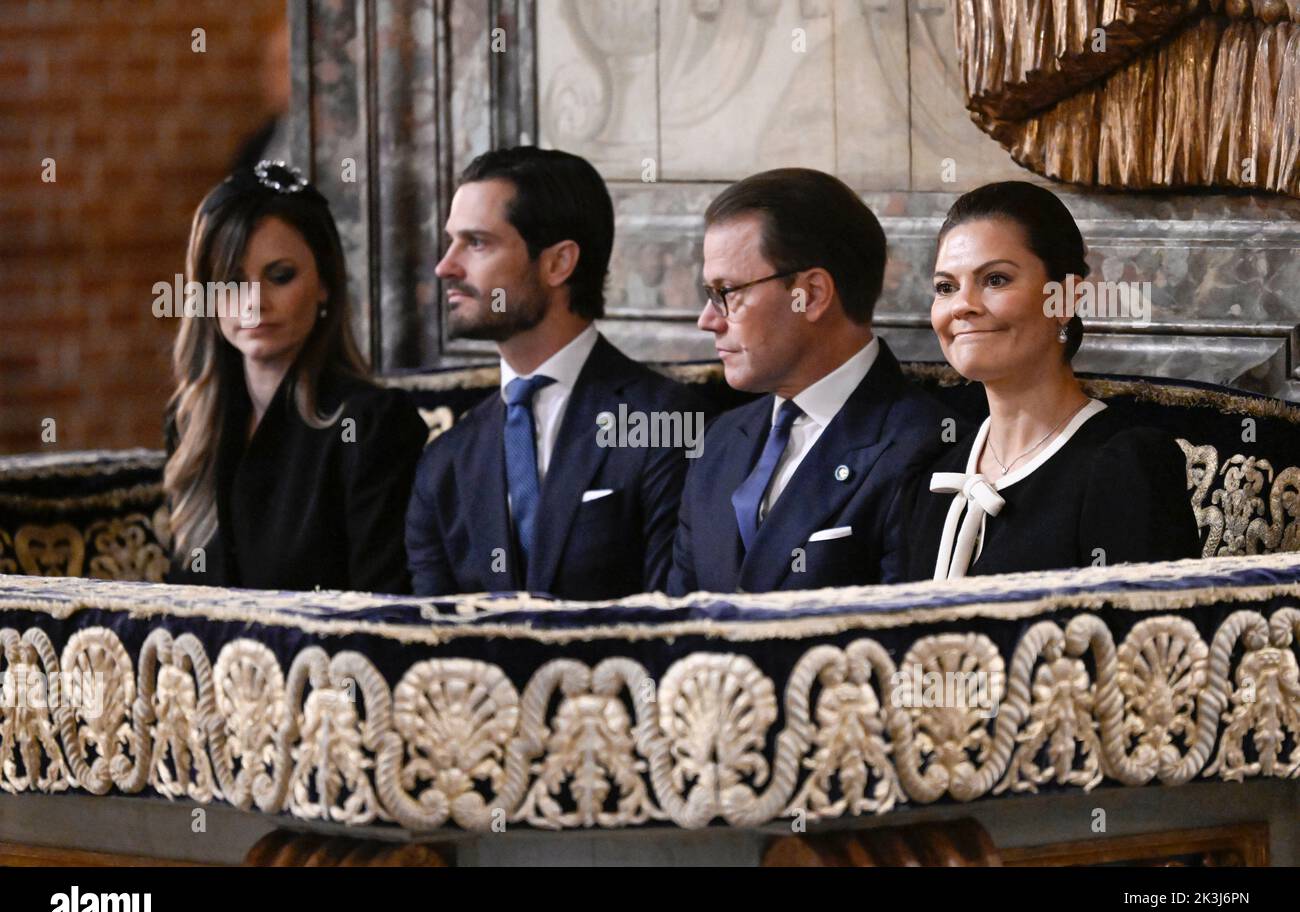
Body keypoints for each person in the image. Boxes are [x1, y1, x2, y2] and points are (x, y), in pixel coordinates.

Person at [405, 146, 700, 599]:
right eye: (451, 241)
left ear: (558, 262)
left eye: (477, 242)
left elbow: (674, 614)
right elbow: (431, 638)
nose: (446, 266)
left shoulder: (662, 421)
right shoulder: (445, 460)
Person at [668, 168, 956, 595]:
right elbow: (674, 627)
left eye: (727, 292)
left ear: (812, 294)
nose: (707, 320)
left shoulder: (928, 448)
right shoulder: (719, 443)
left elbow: (901, 645)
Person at [904, 180, 1201, 581]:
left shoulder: (1125, 463)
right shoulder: (934, 470)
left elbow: (1152, 637)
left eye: (995, 280)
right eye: (946, 287)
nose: (962, 306)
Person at [164, 160, 428, 593]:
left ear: (325, 283)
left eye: (280, 276)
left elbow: (383, 609)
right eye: (231, 282)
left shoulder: (372, 424)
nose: (253, 302)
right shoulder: (190, 423)